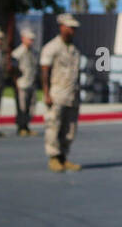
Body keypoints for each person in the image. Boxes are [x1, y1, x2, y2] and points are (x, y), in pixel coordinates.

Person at [40, 14, 81, 172]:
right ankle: (54, 158)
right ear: (62, 27)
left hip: (72, 95)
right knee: (54, 126)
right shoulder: (52, 47)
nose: (72, 30)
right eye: (70, 27)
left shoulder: (74, 49)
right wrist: (46, 93)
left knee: (69, 129)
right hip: (57, 94)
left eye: (74, 28)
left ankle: (64, 157)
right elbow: (45, 71)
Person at [12, 28, 38, 136]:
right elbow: (13, 69)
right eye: (29, 39)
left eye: (32, 40)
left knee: (31, 106)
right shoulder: (18, 52)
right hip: (22, 83)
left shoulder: (33, 52)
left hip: (31, 82)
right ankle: (21, 127)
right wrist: (15, 83)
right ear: (23, 39)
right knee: (22, 107)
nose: (31, 41)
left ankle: (26, 126)